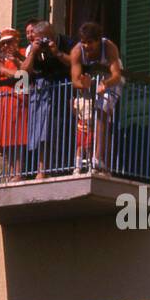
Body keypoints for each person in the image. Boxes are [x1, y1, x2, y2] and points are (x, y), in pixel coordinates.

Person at [19, 20, 73, 180]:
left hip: (63, 93)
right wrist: (33, 52)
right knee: (42, 132)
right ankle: (41, 170)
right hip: (43, 94)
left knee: (59, 132)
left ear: (52, 35)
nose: (44, 42)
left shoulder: (67, 42)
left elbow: (76, 64)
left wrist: (57, 52)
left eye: (46, 39)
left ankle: (60, 169)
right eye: (40, 39)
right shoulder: (34, 48)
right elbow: (22, 73)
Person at [69, 21, 124, 173]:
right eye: (84, 42)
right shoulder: (76, 52)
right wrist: (83, 84)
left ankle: (98, 158)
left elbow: (117, 75)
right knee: (87, 116)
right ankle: (83, 159)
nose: (87, 46)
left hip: (111, 80)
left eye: (90, 43)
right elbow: (75, 80)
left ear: (98, 40)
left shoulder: (109, 47)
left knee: (102, 110)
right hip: (93, 79)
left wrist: (105, 84)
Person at [0, 28, 27, 182]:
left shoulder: (23, 54)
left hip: (17, 100)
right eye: (3, 44)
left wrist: (1, 69)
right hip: (2, 101)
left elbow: (24, 74)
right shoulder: (1, 59)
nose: (5, 47)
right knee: (3, 138)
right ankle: (9, 173)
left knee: (16, 137)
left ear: (16, 41)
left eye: (8, 43)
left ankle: (18, 173)